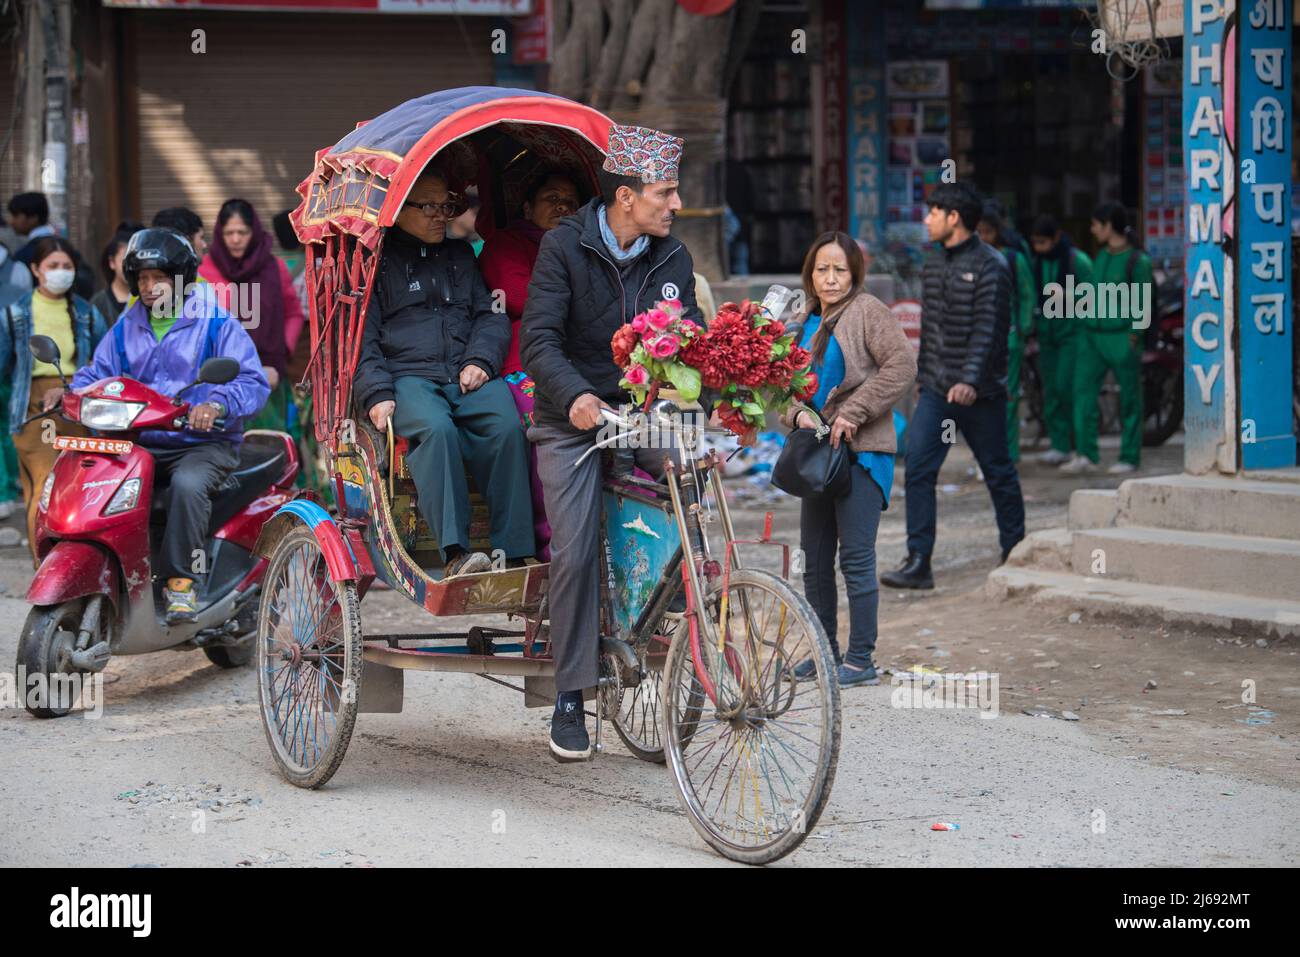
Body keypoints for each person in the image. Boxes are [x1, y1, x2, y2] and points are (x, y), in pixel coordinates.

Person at [520, 122, 699, 762]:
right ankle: (571, 695)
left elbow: (689, 336)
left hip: (642, 413)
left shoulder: (672, 256)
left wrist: (708, 380)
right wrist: (576, 398)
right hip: (572, 420)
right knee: (573, 552)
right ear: (627, 197)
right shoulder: (563, 247)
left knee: (695, 473)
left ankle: (684, 614)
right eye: (666, 192)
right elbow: (537, 340)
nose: (676, 205)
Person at [68, 228, 269, 622]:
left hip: (202, 443)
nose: (148, 287)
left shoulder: (214, 323)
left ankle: (182, 582)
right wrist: (71, 395)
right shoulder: (126, 328)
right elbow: (98, 374)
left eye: (157, 278)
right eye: (141, 279)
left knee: (188, 484)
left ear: (179, 279)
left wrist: (216, 403)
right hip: (138, 441)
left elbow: (252, 381)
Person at [354, 166, 533, 579]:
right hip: (407, 377)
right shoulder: (375, 262)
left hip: (464, 372)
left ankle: (516, 553)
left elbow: (491, 313)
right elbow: (362, 339)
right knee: (437, 430)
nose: (441, 216)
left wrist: (481, 361)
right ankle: (456, 553)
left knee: (506, 425)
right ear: (398, 210)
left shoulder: (459, 255)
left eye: (446, 206)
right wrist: (377, 393)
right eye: (428, 206)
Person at [783, 232, 916, 686]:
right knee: (815, 559)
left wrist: (854, 413)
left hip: (860, 456)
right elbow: (787, 387)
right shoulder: (805, 318)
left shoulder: (868, 312)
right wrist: (796, 412)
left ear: (854, 273)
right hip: (818, 456)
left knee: (855, 559)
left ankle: (860, 660)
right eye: (822, 269)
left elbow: (902, 366)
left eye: (840, 269)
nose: (831, 278)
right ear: (810, 273)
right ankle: (824, 650)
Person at [881, 182, 1025, 590]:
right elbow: (934, 331)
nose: (926, 220)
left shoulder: (991, 264)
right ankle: (918, 561)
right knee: (919, 471)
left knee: (998, 471)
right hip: (937, 392)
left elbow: (989, 331)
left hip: (981, 395)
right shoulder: (935, 263)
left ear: (954, 217)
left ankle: (1015, 551)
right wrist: (924, 380)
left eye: (932, 212)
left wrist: (970, 380)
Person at [478, 169, 583, 560]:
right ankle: (551, 543)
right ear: (526, 206)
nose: (561, 206)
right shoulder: (505, 244)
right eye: (551, 197)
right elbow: (518, 297)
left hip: (582, 362)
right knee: (544, 430)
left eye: (570, 201)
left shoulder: (586, 244)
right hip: (526, 365)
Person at [0, 237, 108, 561]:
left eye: (67, 266)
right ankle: (44, 565)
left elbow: (105, 362)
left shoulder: (88, 313)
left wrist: (79, 386)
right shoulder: (14, 314)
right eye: (53, 266)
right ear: (35, 269)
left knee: (77, 488)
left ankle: (74, 565)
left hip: (78, 406)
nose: (61, 272)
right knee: (46, 484)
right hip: (35, 411)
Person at [199, 199, 304, 431]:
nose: (235, 239)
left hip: (267, 376)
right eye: (229, 233)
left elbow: (294, 314)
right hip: (217, 381)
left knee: (270, 448)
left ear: (253, 231)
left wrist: (282, 349)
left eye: (242, 232)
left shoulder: (274, 268)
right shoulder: (204, 271)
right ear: (219, 234)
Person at [1070, 202, 1150, 475]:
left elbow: (1143, 301)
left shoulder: (1138, 261)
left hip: (1121, 337)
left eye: (1095, 224)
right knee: (1083, 394)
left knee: (1129, 399)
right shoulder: (1101, 256)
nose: (1092, 230)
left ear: (1108, 226)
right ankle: (1086, 453)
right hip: (1092, 336)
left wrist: (1134, 337)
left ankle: (1129, 456)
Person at [1028, 215, 1092, 466]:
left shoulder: (1078, 261)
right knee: (1051, 390)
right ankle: (1059, 444)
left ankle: (1081, 447)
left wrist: (1068, 294)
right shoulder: (1037, 263)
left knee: (1068, 388)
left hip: (1072, 333)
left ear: (1056, 238)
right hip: (1047, 333)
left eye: (1043, 242)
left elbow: (1095, 294)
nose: (1039, 248)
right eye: (1035, 242)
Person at [976, 203, 1035, 464]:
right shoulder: (970, 258)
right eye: (978, 232)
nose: (983, 238)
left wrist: (1023, 329)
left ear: (997, 231)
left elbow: (1027, 294)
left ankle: (1008, 453)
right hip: (976, 342)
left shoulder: (1013, 259)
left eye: (987, 232)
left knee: (1007, 397)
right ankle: (986, 453)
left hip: (1008, 339)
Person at [90, 221, 145, 327]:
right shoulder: (98, 304)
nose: (132, 266)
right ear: (112, 262)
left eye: (138, 260)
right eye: (125, 260)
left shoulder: (152, 298)